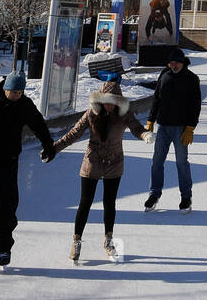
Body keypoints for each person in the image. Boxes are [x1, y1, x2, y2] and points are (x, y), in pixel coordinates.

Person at [51, 76, 152, 263]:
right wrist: (54, 148)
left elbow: (136, 128)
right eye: (106, 102)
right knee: (85, 202)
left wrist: (144, 134)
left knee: (109, 202)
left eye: (113, 103)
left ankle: (108, 239)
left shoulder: (125, 114)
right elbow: (74, 133)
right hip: (93, 160)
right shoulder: (91, 113)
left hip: (114, 162)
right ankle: (77, 240)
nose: (109, 106)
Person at [0, 71, 54, 268]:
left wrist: (48, 144)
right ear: (5, 88)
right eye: (14, 91)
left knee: (6, 206)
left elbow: (38, 124)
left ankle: (3, 248)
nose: (17, 95)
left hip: (8, 160)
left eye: (20, 92)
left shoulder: (24, 104)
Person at [144, 49, 201, 212]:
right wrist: (150, 119)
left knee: (181, 163)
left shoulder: (191, 79)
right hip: (163, 126)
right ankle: (154, 194)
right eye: (171, 63)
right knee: (156, 162)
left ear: (182, 62)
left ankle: (186, 197)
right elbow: (156, 99)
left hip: (181, 128)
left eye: (176, 62)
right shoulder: (164, 76)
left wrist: (191, 127)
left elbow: (195, 105)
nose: (173, 65)